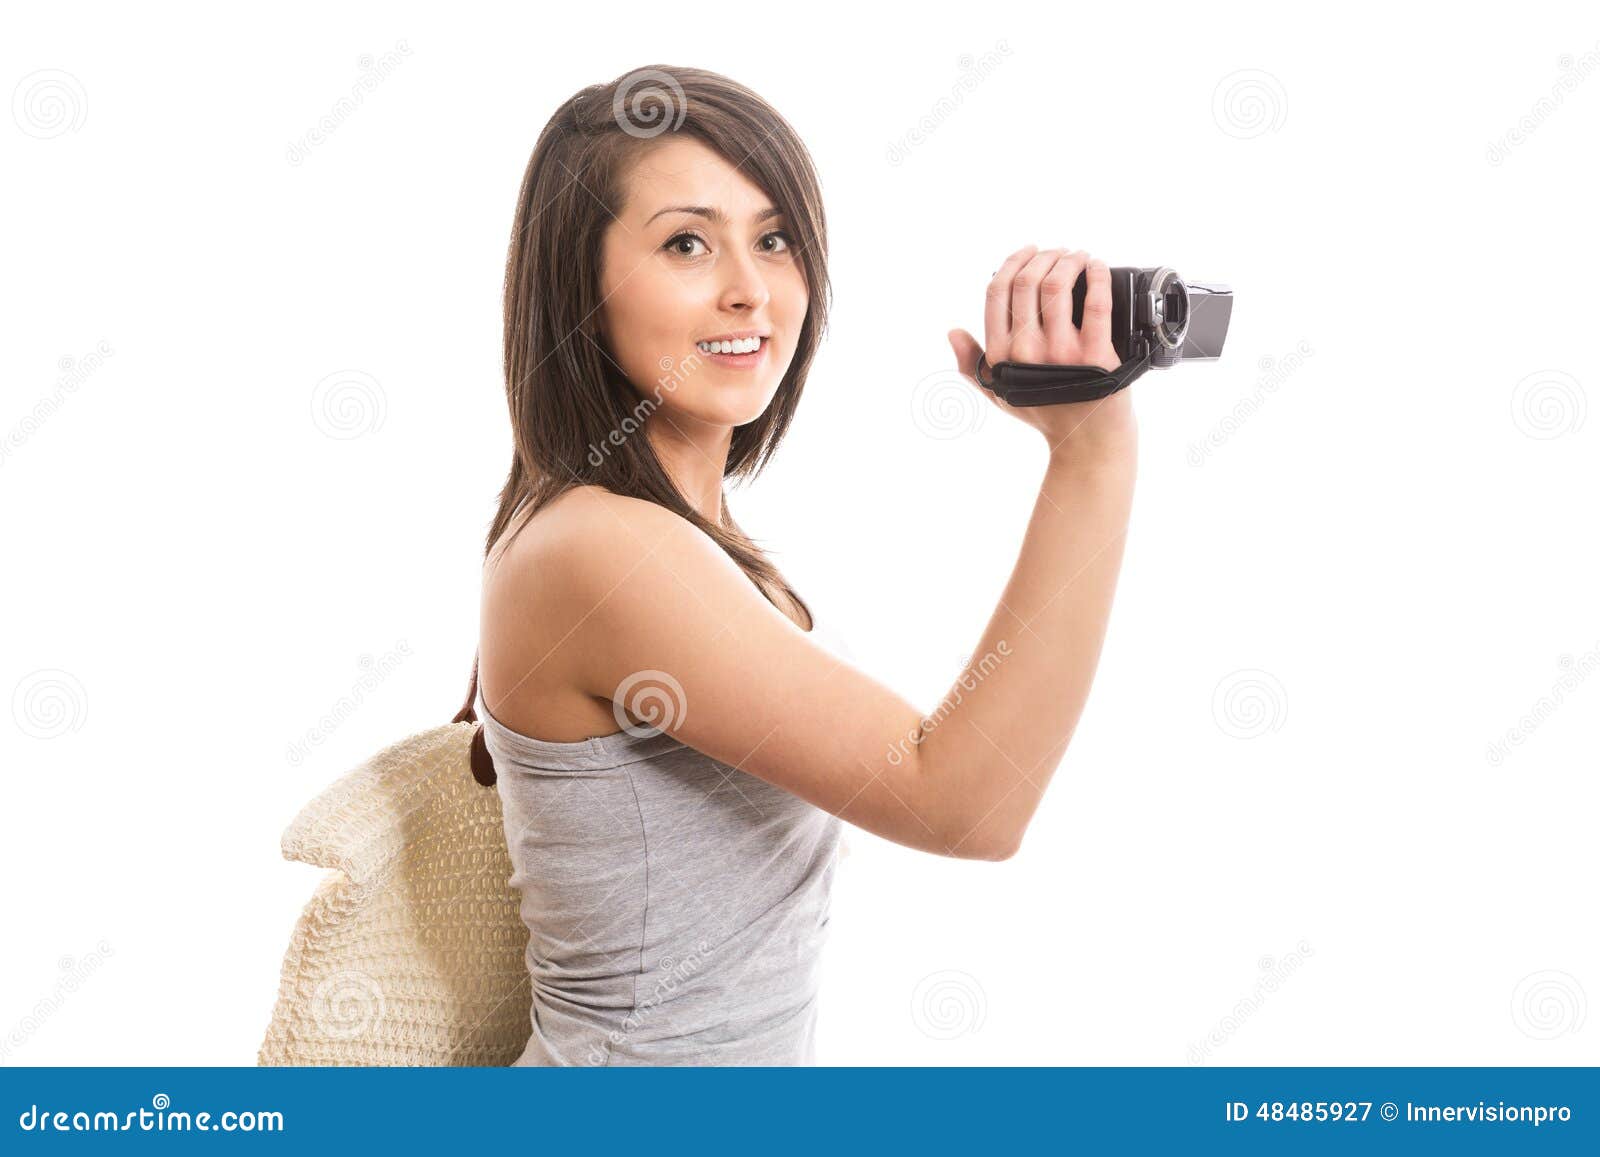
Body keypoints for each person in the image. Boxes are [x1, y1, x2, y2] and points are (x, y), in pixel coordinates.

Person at [469, 65, 1137, 1066]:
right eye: (687, 242)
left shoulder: (683, 541)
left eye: (774, 238)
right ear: (580, 284)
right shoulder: (599, 548)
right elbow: (965, 800)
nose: (751, 286)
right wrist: (1093, 454)